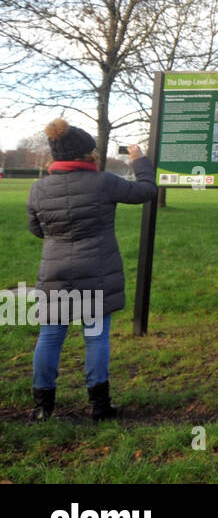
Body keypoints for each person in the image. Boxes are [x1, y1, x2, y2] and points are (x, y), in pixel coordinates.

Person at [25, 119, 156, 421]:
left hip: (54, 274)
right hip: (97, 271)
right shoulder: (104, 182)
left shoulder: (39, 189)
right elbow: (146, 191)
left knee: (49, 337)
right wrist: (139, 160)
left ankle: (42, 407)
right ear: (87, 155)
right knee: (96, 337)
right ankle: (99, 406)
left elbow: (37, 230)